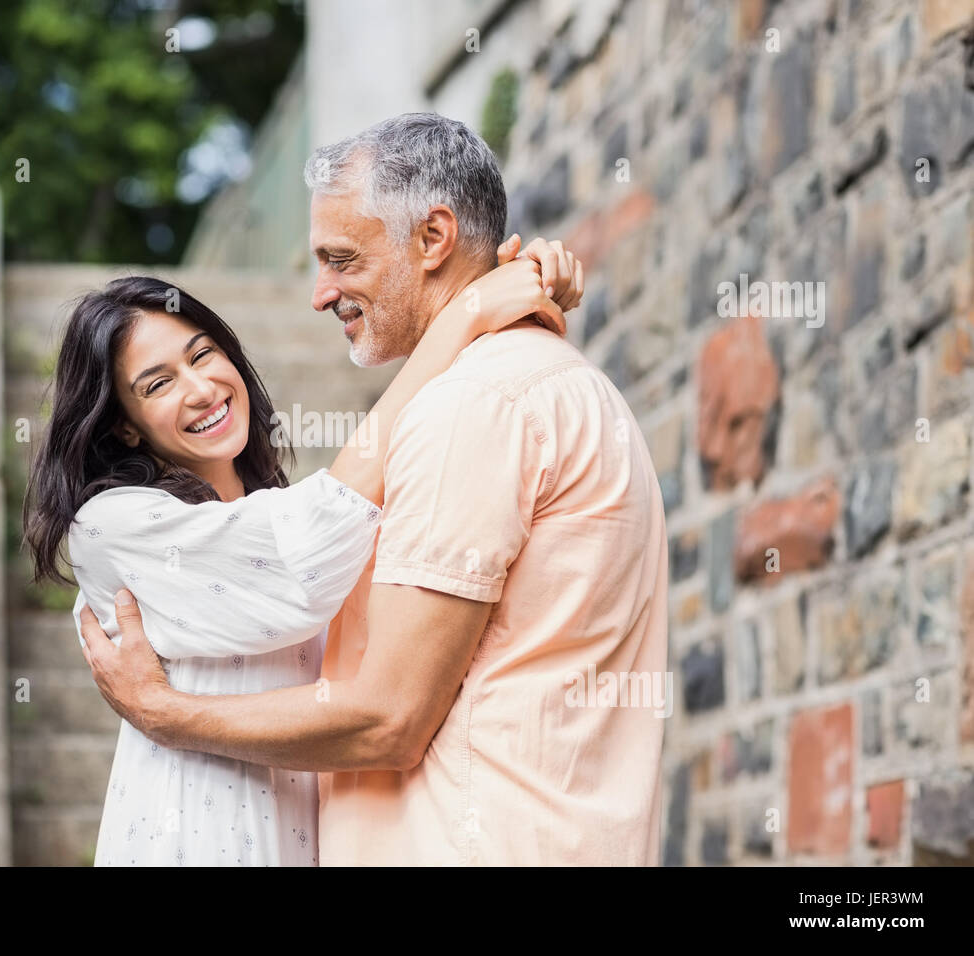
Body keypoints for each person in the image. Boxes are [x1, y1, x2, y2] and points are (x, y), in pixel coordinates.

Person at [78, 112, 670, 866]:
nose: (321, 293)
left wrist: (170, 714)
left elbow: (388, 717)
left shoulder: (474, 405)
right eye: (157, 382)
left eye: (341, 258)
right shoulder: (550, 382)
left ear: (433, 238)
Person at [22, 245, 581, 865]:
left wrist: (514, 274)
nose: (202, 388)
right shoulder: (110, 526)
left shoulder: (269, 508)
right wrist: (467, 313)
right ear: (125, 426)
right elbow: (305, 561)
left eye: (203, 354)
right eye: (158, 384)